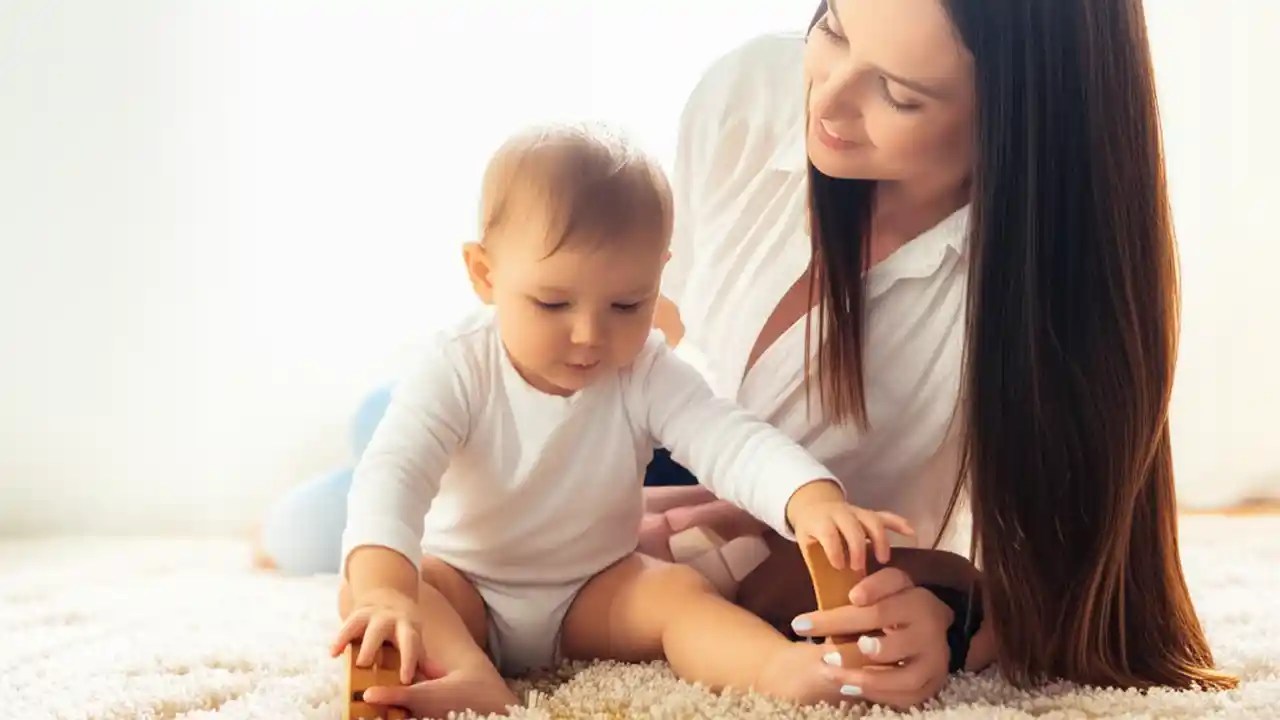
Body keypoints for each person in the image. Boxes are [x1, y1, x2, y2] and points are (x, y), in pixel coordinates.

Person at [260, 0, 1237, 708]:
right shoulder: (744, 96)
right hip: (566, 448)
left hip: (651, 465)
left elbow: (1064, 594)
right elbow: (597, 309)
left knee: (688, 585)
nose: (824, 100)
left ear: (1017, 127)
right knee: (352, 525)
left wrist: (923, 595)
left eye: (896, 93)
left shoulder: (1036, 312)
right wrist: (594, 350)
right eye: (834, 25)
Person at [331, 123, 916, 719]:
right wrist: (385, 590)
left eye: (626, 304)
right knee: (377, 588)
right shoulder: (457, 367)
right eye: (552, 303)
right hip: (467, 586)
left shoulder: (643, 369)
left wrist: (811, 499)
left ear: (658, 275)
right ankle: (472, 675)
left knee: (679, 593)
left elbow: (728, 439)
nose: (589, 334)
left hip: (594, 588)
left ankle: (776, 668)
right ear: (485, 274)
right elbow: (393, 475)